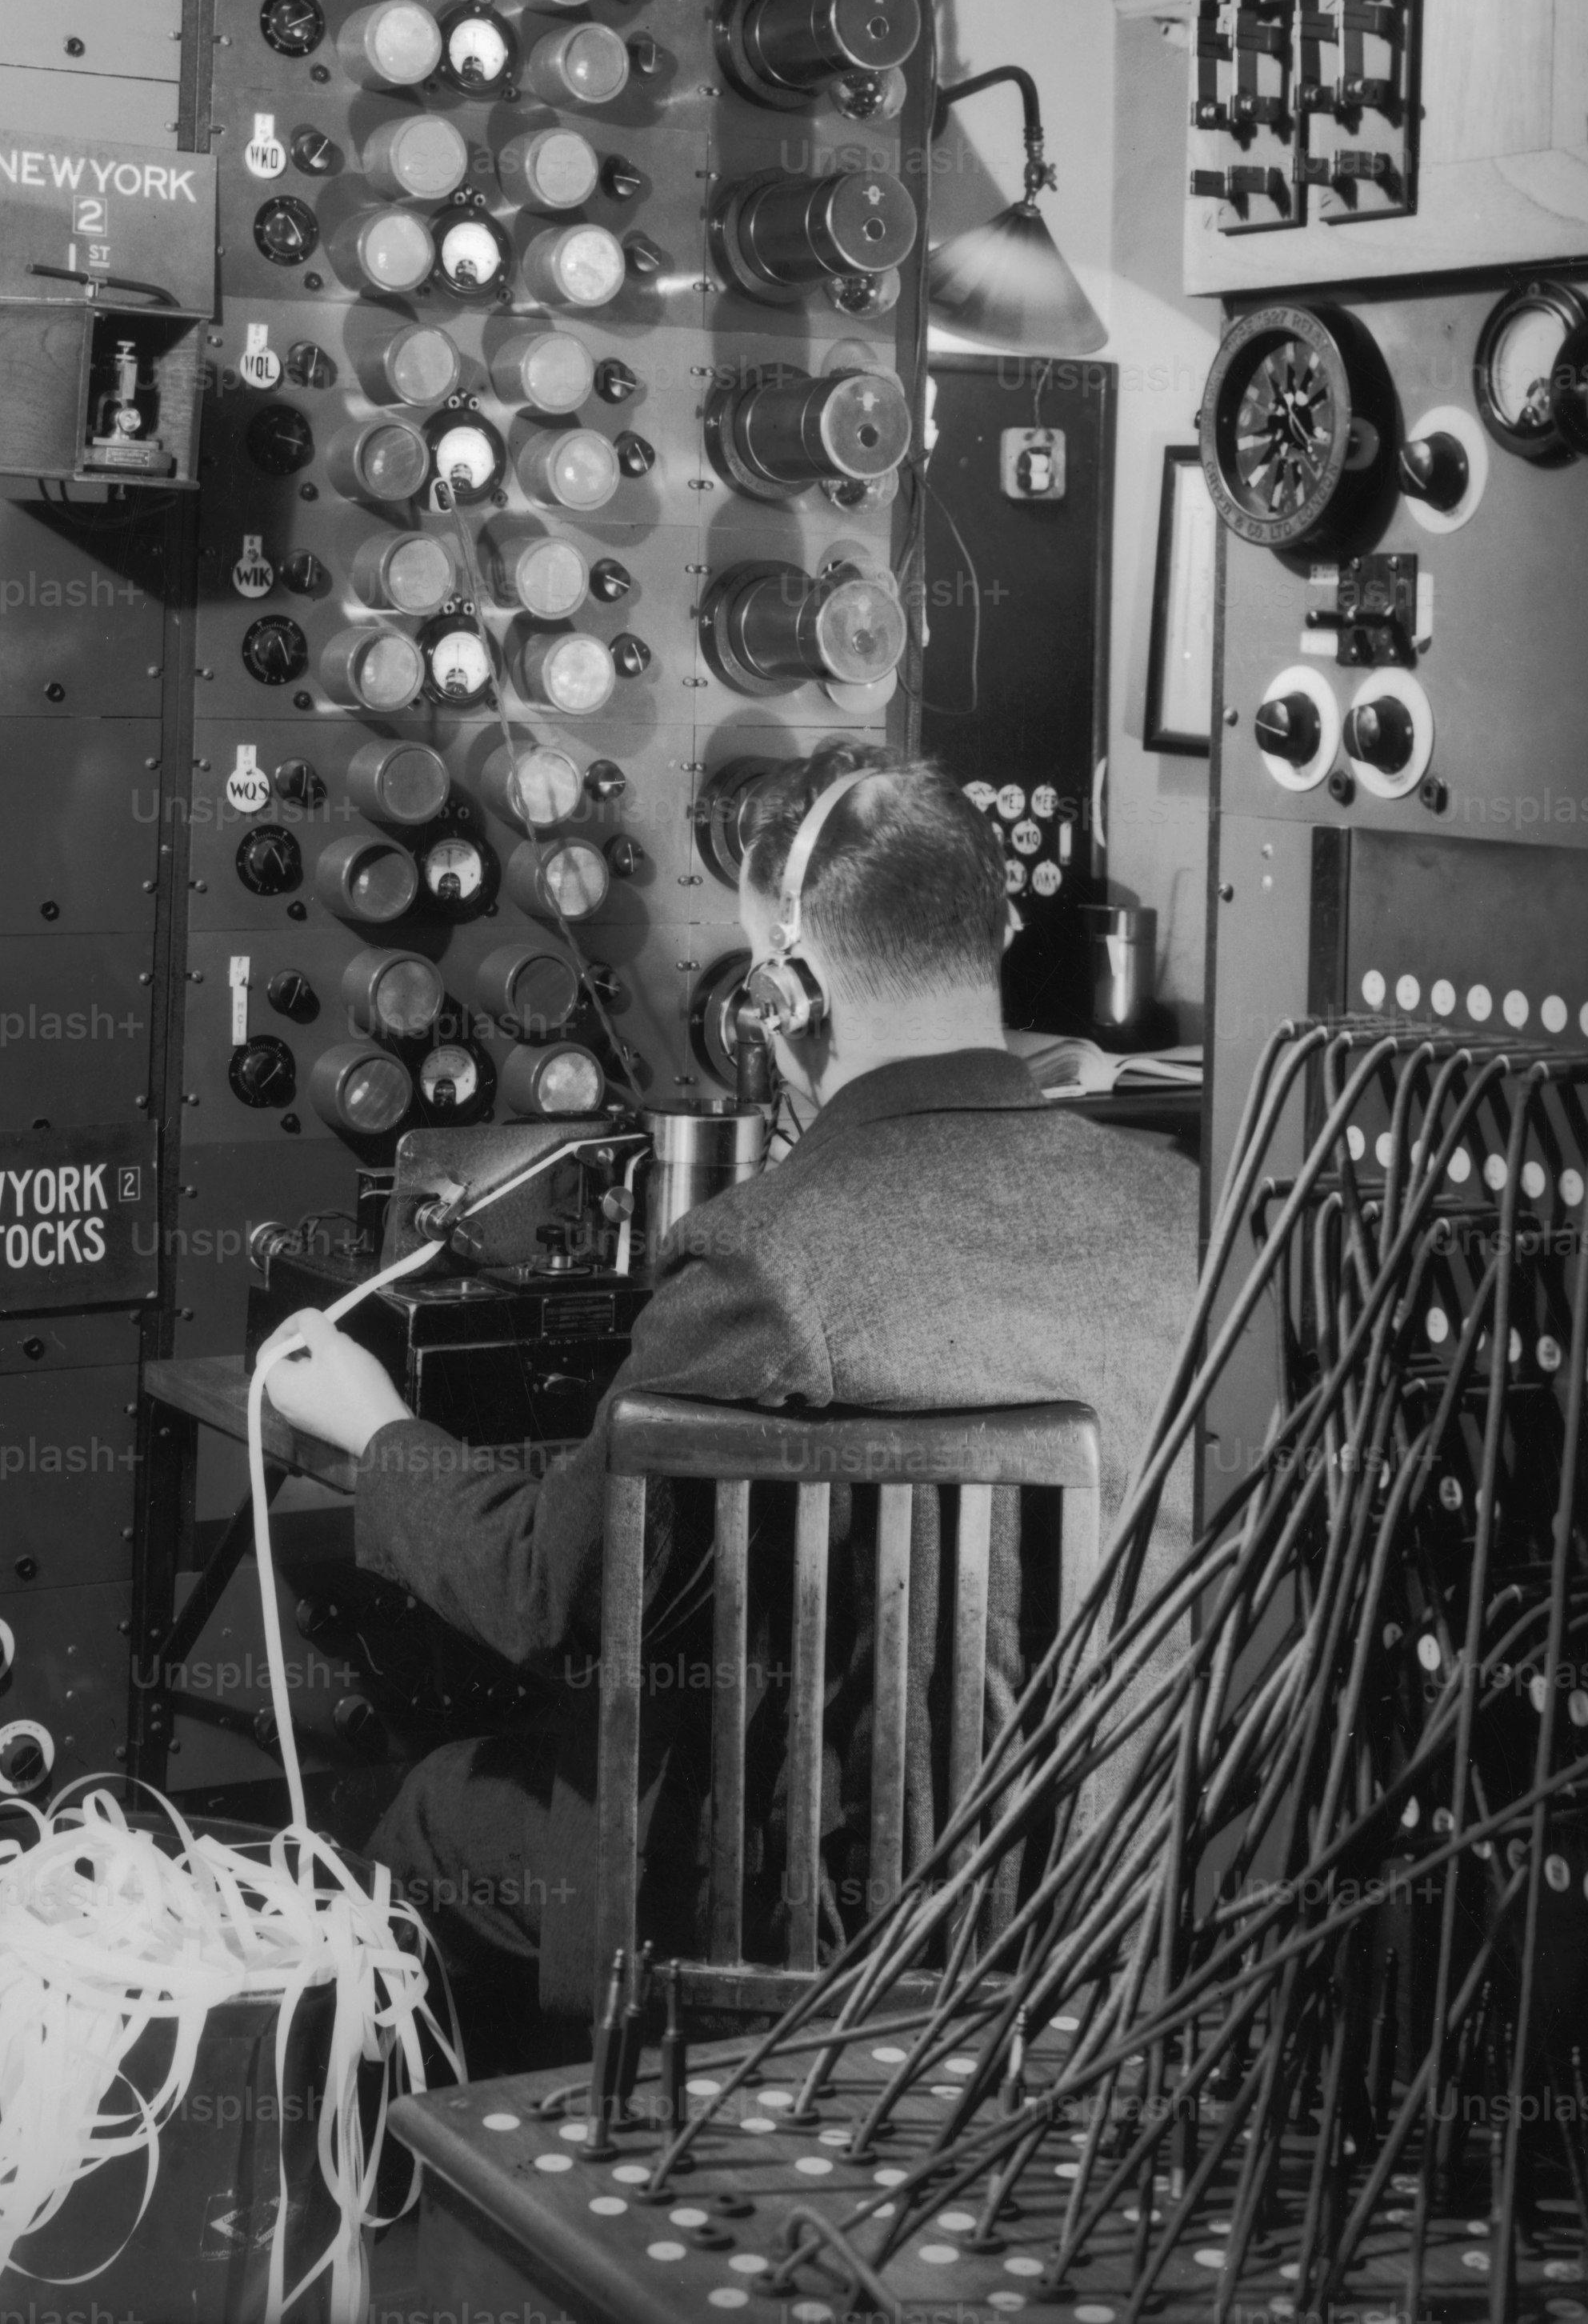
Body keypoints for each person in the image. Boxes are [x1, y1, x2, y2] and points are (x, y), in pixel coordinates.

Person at [260, 745, 1198, 2020]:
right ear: (993, 931)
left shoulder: (764, 1255)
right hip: (1136, 1888)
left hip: (835, 1913)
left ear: (789, 994)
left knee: (435, 1810)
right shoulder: (1193, 1210)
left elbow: (553, 1596)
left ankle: (494, 2204)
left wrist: (375, 1430)